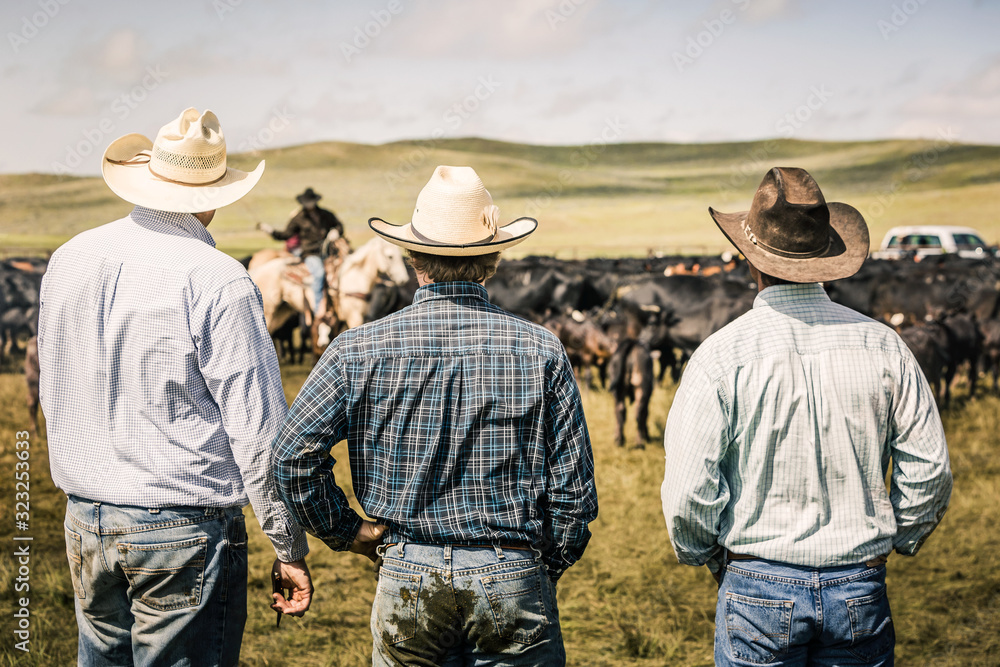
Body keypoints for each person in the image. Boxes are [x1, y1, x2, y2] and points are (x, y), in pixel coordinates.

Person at [272, 165, 598, 665]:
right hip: (511, 566)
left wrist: (347, 532)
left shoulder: (356, 349)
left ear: (413, 257)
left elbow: (293, 456)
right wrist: (540, 567)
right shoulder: (540, 350)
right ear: (491, 259)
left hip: (406, 568)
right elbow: (573, 494)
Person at [37, 108, 313, 666]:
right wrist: (287, 545)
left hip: (86, 515)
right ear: (213, 195)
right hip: (181, 525)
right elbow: (258, 431)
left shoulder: (69, 258)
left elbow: (55, 386)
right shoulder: (218, 279)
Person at [660, 167, 952, 666]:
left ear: (751, 260)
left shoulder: (720, 355)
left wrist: (706, 553)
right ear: (826, 260)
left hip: (756, 583)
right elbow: (929, 468)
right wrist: (899, 538)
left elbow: (690, 491)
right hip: (858, 582)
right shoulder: (884, 345)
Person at [258, 187, 345, 313]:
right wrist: (270, 231)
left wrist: (336, 231)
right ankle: (318, 310)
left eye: (310, 201)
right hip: (311, 253)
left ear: (315, 201)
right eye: (306, 202)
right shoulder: (299, 218)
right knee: (319, 273)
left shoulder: (326, 214)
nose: (308, 204)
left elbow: (339, 225)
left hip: (330, 251)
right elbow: (285, 234)